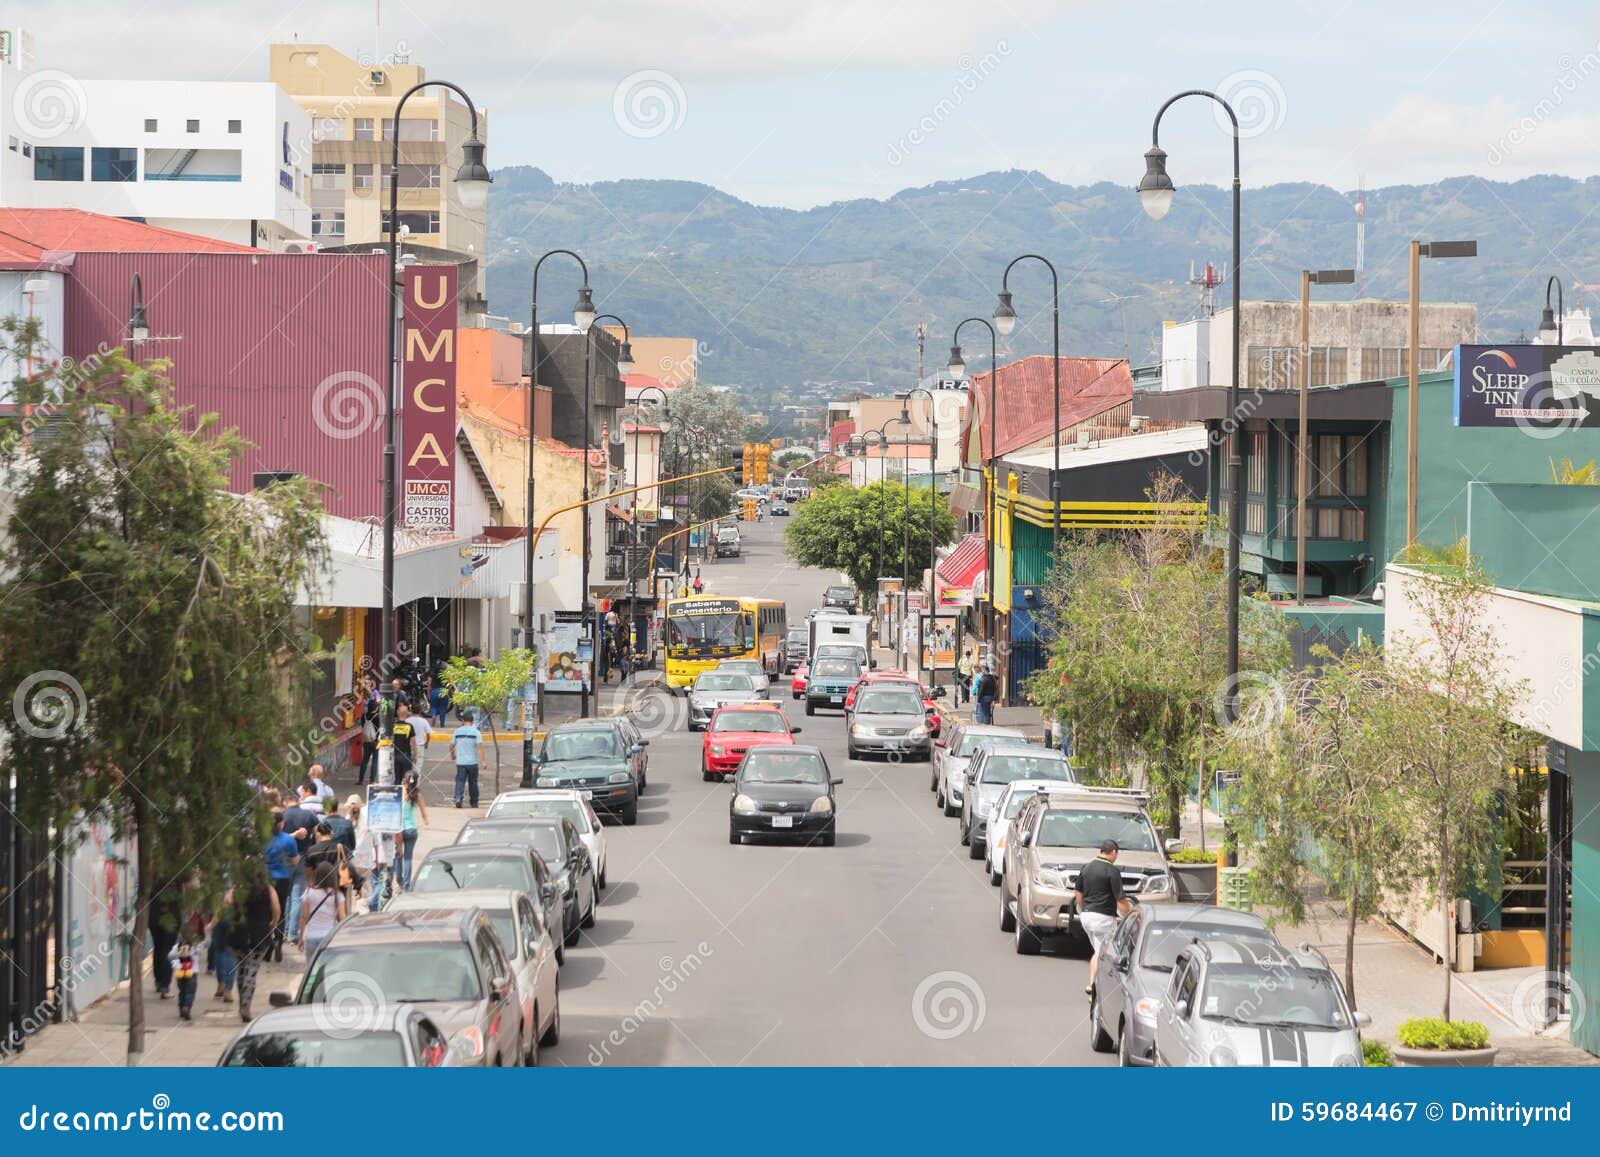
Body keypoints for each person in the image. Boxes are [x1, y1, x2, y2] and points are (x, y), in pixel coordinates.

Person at [1074, 839, 1132, 998]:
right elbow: (1121, 900)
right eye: (1117, 854)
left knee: (1098, 951)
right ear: (1114, 852)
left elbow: (1078, 894)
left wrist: (1084, 909)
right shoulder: (1112, 871)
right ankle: (1095, 987)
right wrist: (1128, 917)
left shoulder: (1086, 868)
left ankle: (1092, 984)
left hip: (1086, 917)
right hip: (1103, 919)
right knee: (1106, 954)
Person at [227, 877, 279, 1023]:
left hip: (239, 932)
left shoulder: (239, 887)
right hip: (260, 933)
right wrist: (273, 924)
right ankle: (246, 1005)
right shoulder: (269, 889)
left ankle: (242, 1003)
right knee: (252, 970)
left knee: (241, 969)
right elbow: (276, 909)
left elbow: (227, 901)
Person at [280, 783, 320, 949]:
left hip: (284, 859)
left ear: (285, 802)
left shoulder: (281, 816)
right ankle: (292, 934)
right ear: (298, 800)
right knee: (297, 897)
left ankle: (283, 931)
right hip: (304, 858)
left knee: (285, 896)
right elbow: (318, 833)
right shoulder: (309, 815)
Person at [262, 815, 299, 963]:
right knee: (281, 911)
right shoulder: (289, 840)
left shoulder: (263, 838)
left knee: (266, 912)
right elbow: (295, 860)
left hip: (266, 879)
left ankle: (267, 943)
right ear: (281, 824)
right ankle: (278, 941)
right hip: (283, 878)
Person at [297, 861, 346, 960]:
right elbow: (343, 918)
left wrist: (301, 937)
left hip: (311, 936)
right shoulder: (337, 894)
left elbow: (303, 917)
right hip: (329, 937)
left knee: (311, 971)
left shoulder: (308, 892)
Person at [354, 804, 396, 912]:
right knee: (383, 883)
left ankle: (373, 907)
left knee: (376, 882)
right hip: (383, 853)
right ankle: (371, 903)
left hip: (371, 853)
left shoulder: (364, 811)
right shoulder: (391, 809)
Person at [169, 908, 206, 1022]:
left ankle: (181, 1007)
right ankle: (187, 1007)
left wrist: (177, 958)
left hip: (180, 972)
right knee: (191, 990)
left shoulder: (177, 947)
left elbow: (170, 956)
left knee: (182, 990)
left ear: (180, 935)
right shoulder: (195, 946)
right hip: (192, 973)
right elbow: (202, 949)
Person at [397, 772, 429, 891]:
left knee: (397, 856)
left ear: (404, 780)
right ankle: (406, 885)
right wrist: (425, 821)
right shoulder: (417, 794)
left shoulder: (399, 792)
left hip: (398, 830)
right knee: (408, 858)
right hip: (411, 830)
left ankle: (399, 881)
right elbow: (424, 814)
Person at [450, 710, 484, 809]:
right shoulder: (476, 732)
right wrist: (483, 761)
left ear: (463, 720)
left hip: (461, 762)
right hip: (473, 762)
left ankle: (458, 798)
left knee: (460, 781)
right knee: (473, 782)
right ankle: (474, 802)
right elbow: (479, 748)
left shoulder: (457, 731)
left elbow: (451, 745)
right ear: (472, 721)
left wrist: (453, 755)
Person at [391, 703, 417, 781]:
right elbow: (414, 743)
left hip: (395, 755)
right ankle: (407, 792)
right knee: (407, 779)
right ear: (406, 714)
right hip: (406, 755)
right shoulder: (409, 726)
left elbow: (390, 741)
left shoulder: (393, 726)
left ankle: (399, 791)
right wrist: (415, 755)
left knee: (397, 778)